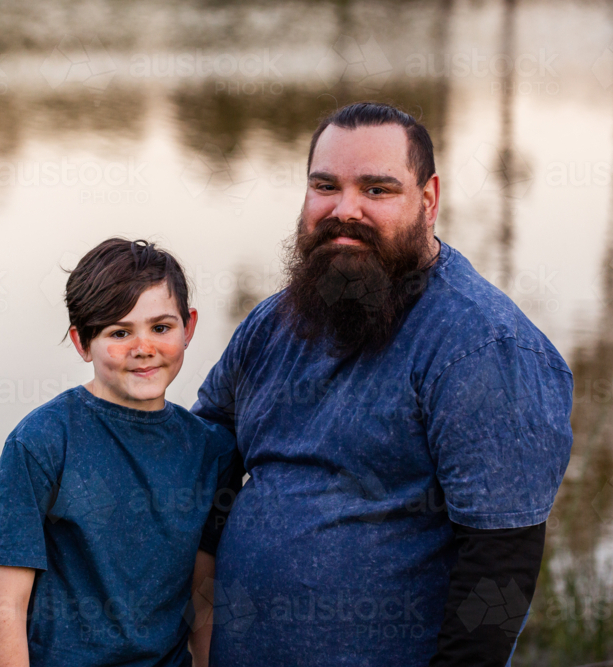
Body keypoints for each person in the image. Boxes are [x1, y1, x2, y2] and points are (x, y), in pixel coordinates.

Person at [191, 102, 574, 666]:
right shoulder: (272, 324)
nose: (345, 210)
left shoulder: (483, 349)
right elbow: (206, 461)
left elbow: (501, 571)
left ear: (429, 199)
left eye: (377, 189)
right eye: (326, 186)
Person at [0, 238, 235, 667]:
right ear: (82, 342)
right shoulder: (41, 441)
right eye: (119, 332)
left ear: (188, 327)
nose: (143, 347)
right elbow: (6, 604)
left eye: (161, 328)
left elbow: (203, 598)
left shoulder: (212, 450)